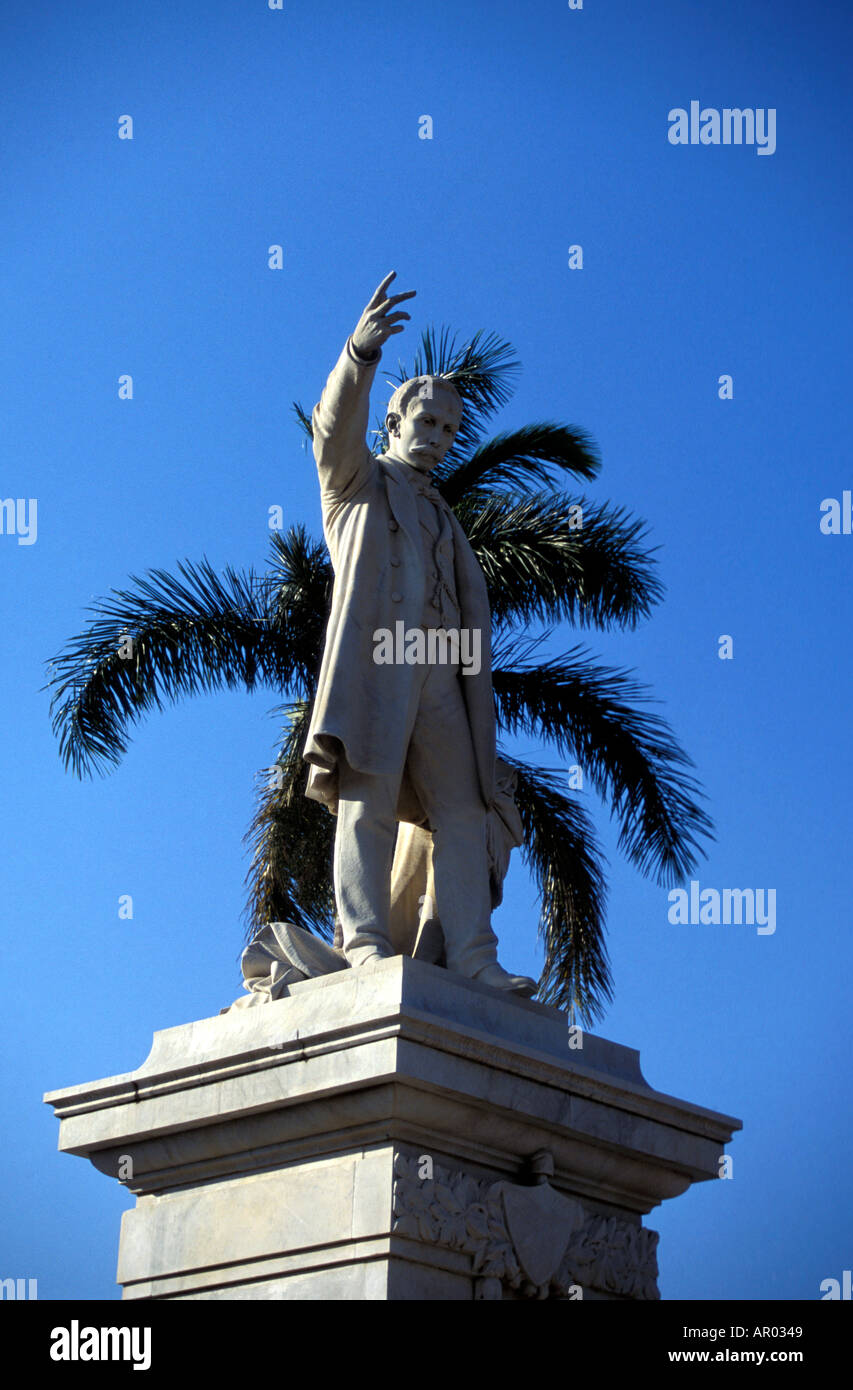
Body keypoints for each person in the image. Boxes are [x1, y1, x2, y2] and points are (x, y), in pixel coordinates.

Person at [303, 272, 536, 997]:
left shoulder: (447, 521)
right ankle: (365, 942)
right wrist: (359, 356)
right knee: (366, 798)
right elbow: (331, 428)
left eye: (447, 428)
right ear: (392, 423)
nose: (436, 436)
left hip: (441, 667)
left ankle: (472, 956)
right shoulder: (354, 485)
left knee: (464, 812)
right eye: (424, 422)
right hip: (378, 661)